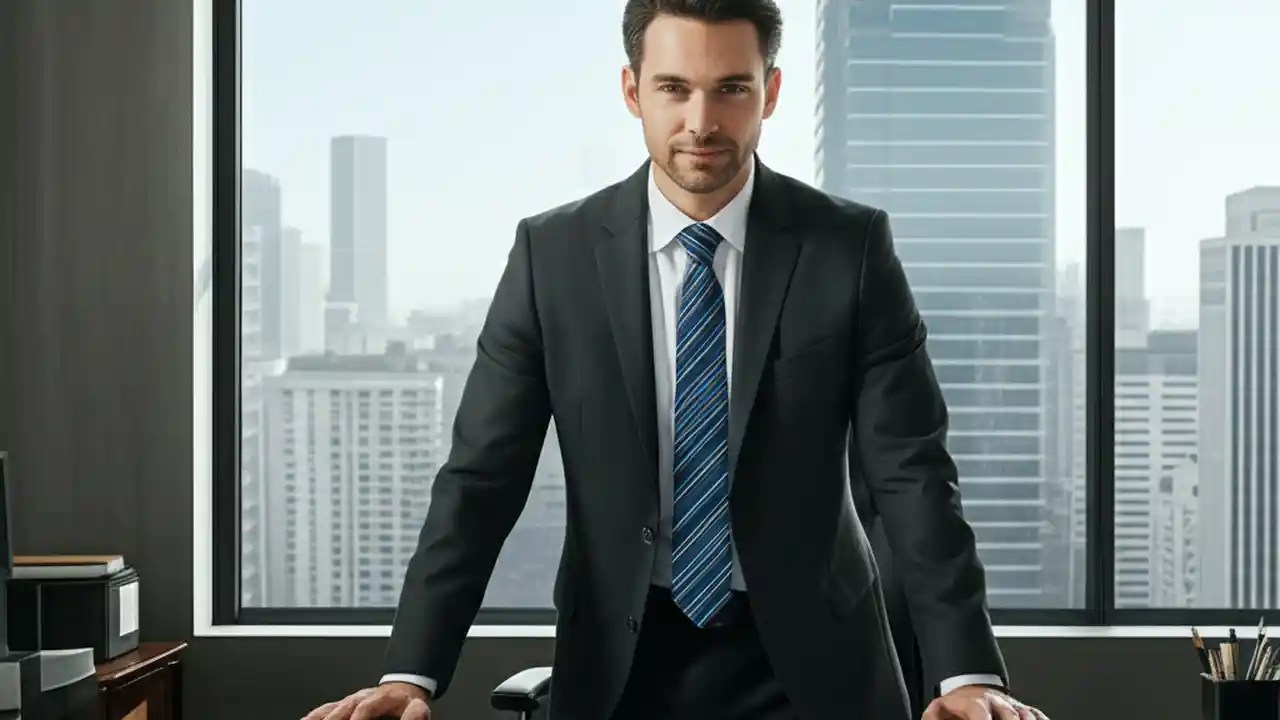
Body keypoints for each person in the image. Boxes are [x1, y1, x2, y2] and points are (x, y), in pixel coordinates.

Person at [303, 1, 1055, 719]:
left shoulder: (847, 249)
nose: (702, 122)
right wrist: (411, 673)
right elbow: (480, 478)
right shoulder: (552, 256)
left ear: (772, 93)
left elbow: (913, 472)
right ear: (633, 91)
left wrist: (966, 670)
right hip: (623, 662)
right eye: (674, 89)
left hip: (817, 663)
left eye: (732, 88)